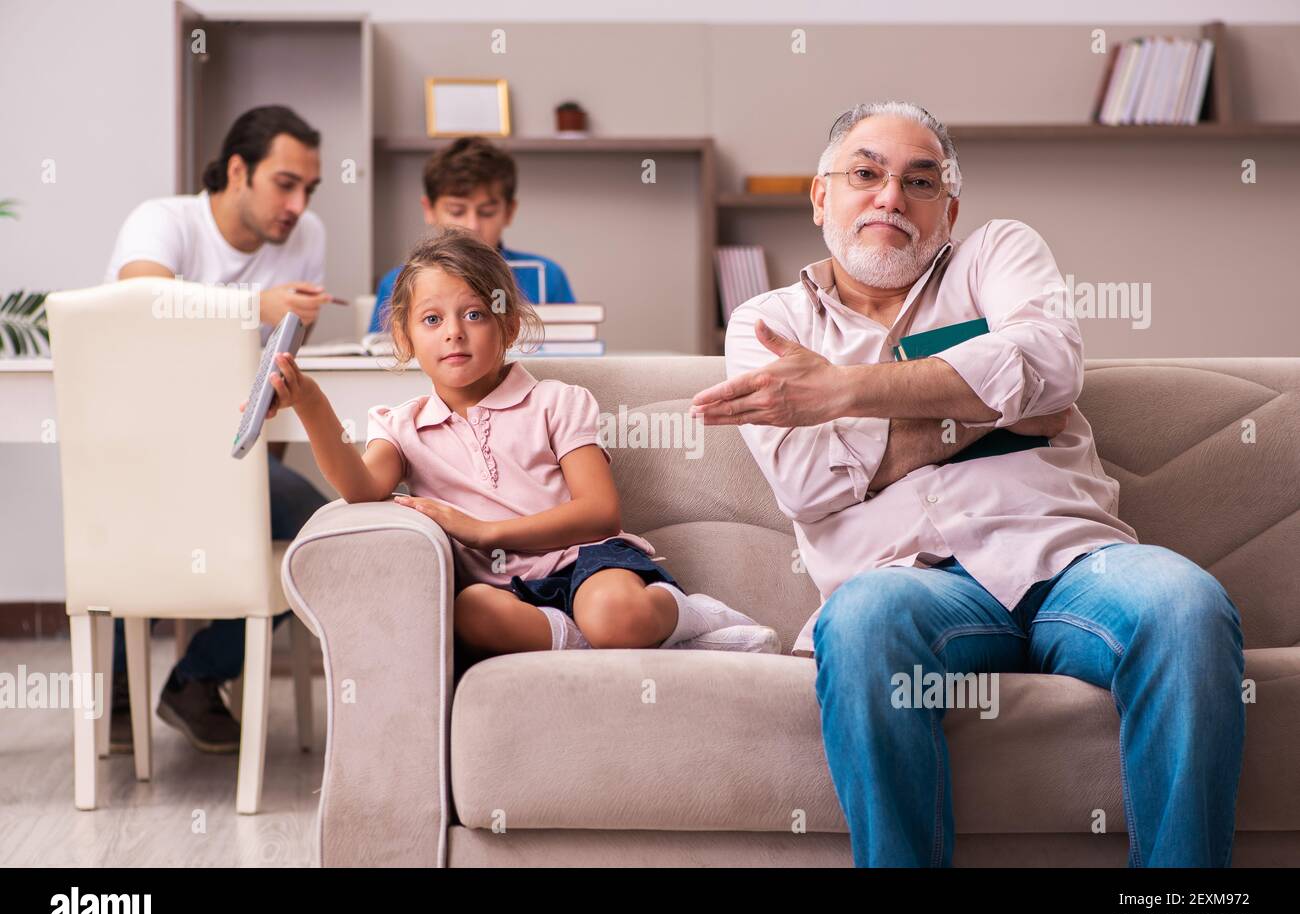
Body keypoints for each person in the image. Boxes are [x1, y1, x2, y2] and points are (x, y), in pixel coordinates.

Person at [690, 101, 1245, 867]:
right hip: (907, 587)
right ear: (822, 196)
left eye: (920, 181)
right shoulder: (768, 320)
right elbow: (808, 482)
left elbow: (1049, 364)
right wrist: (986, 404)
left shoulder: (997, 253)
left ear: (947, 210)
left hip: (1073, 563)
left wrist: (847, 394)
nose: (892, 196)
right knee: (860, 621)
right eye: (866, 173)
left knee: (1186, 603)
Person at [262, 226, 776, 659]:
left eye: (474, 314)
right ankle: (592, 640)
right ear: (404, 337)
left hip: (588, 563)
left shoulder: (557, 401)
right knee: (468, 613)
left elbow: (600, 513)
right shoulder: (401, 426)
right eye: (432, 320)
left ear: (507, 326)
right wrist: (310, 403)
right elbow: (360, 488)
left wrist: (485, 533)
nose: (453, 334)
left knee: (613, 613)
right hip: (505, 590)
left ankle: (692, 620)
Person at [102, 104, 336, 753]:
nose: (297, 204)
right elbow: (141, 301)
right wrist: (253, 305)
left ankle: (196, 676)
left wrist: (269, 465)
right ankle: (118, 681)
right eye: (285, 183)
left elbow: (279, 372)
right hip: (135, 448)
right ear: (238, 170)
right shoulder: (163, 221)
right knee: (131, 520)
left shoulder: (305, 236)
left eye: (308, 189)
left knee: (330, 538)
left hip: (230, 449)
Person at [368, 137, 575, 334]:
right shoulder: (398, 283)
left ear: (509, 212)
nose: (472, 226)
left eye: (487, 212)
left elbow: (574, 361)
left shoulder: (546, 276)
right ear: (429, 209)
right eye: (457, 211)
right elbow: (380, 361)